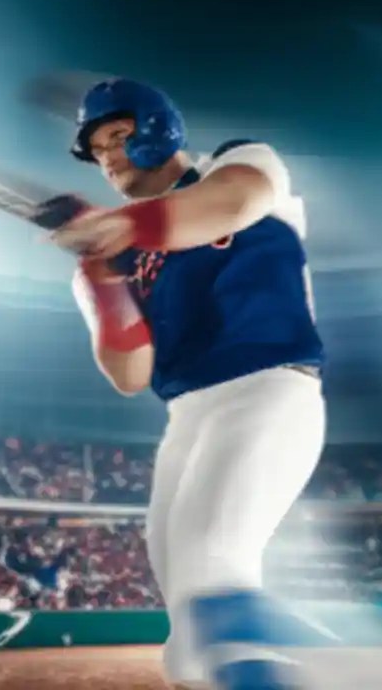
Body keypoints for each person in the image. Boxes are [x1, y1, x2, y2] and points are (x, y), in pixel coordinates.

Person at [50, 78, 328, 689]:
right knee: (187, 640)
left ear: (159, 127)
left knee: (212, 560)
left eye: (119, 136)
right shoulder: (110, 254)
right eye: (98, 149)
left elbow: (232, 204)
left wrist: (124, 227)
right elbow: (131, 374)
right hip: (187, 418)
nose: (110, 155)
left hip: (268, 388)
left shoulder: (235, 163)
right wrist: (102, 278)